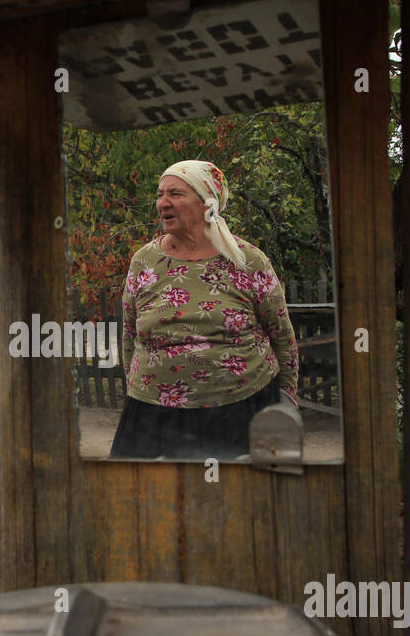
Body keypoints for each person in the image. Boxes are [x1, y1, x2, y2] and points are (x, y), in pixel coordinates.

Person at [109, 159, 299, 460]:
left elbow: (282, 335)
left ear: (206, 202)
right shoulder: (144, 260)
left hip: (242, 408)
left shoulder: (248, 260)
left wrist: (286, 397)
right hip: (153, 415)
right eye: (160, 194)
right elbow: (131, 334)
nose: (163, 203)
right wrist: (139, 390)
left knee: (239, 501)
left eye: (175, 193)